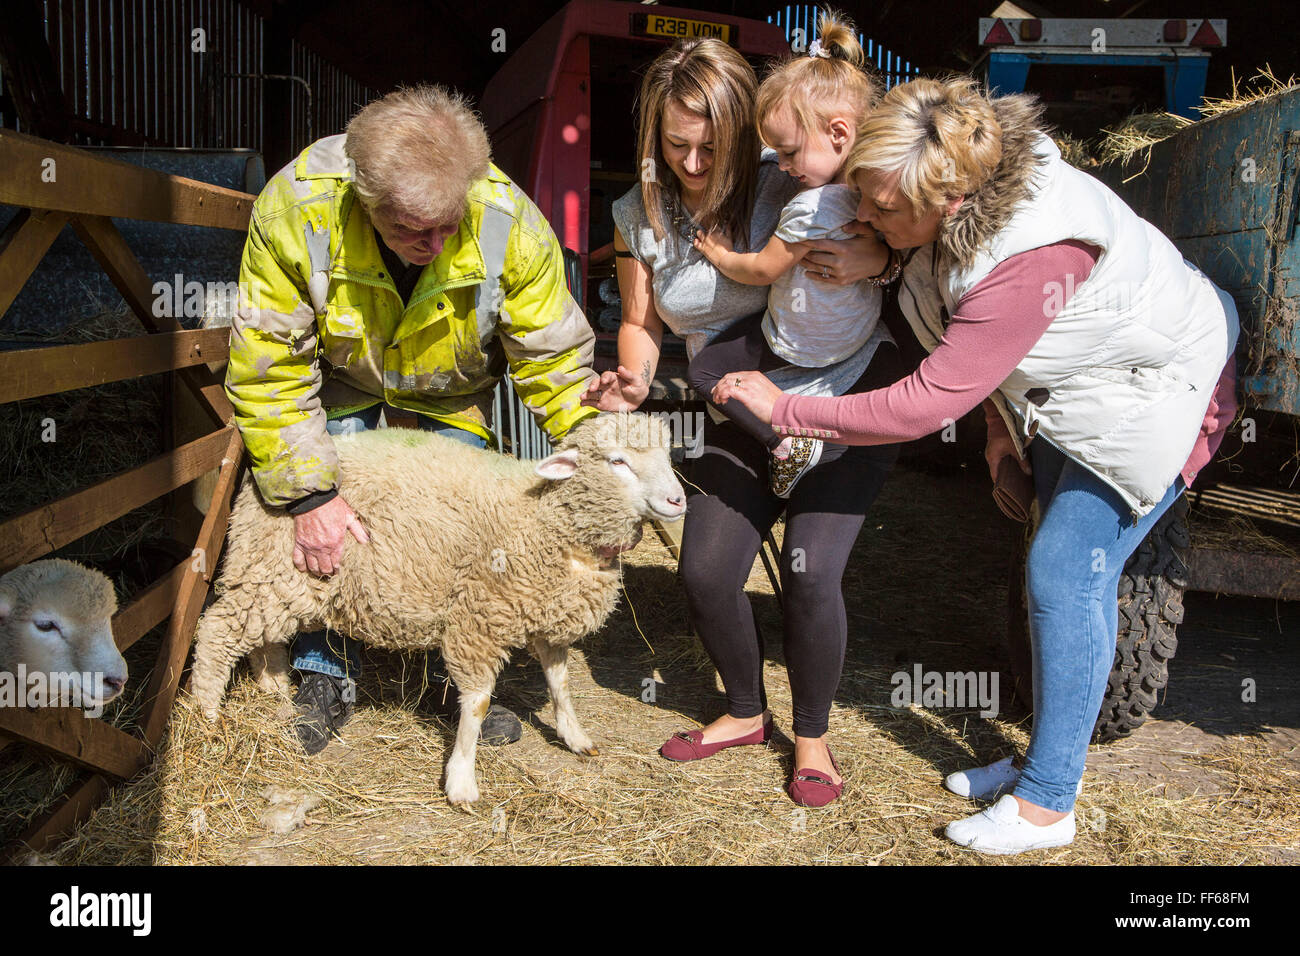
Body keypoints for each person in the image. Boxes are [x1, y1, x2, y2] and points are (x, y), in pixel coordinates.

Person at [712, 76, 1239, 850]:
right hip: (1081, 384)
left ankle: (1049, 804)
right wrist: (999, 436)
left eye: (882, 209)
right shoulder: (943, 213)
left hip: (1162, 386)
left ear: (950, 202)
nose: (863, 216)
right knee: (1050, 561)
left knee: (1067, 570)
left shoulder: (1030, 253)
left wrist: (786, 408)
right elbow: (969, 347)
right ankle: (1040, 765)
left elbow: (925, 402)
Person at [581, 27, 902, 808]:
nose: (694, 165)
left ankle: (814, 738)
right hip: (740, 398)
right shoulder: (638, 211)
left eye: (711, 147)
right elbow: (642, 322)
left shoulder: (788, 173)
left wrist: (881, 257)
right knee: (705, 570)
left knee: (810, 570)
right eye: (677, 145)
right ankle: (745, 712)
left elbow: (907, 213)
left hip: (844, 389)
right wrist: (634, 379)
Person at [226, 84, 598, 754]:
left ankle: (452, 674)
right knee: (326, 512)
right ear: (365, 200)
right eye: (409, 229)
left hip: (448, 390)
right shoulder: (298, 209)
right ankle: (325, 668)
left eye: (447, 225)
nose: (433, 242)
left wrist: (604, 464)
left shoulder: (505, 219)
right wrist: (310, 493)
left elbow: (556, 359)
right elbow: (269, 366)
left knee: (470, 517)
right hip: (341, 382)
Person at [689, 13, 896, 497]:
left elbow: (762, 270)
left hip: (793, 337)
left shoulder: (810, 206)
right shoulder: (876, 196)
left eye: (787, 152)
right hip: (856, 336)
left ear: (840, 134)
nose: (780, 166)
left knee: (705, 371)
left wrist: (717, 252)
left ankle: (782, 437)